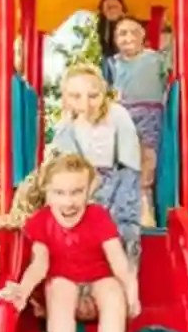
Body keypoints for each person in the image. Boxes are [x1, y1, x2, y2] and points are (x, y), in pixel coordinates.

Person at [0, 154, 140, 332]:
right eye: (60, 193)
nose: (69, 201)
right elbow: (39, 264)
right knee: (60, 285)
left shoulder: (98, 217)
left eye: (77, 192)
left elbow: (118, 261)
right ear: (48, 194)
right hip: (63, 295)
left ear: (89, 191)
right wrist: (23, 290)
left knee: (112, 287)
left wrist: (132, 293)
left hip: (96, 291)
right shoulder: (41, 222)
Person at [49, 64, 143, 269]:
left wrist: (117, 212)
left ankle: (125, 291)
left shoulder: (117, 115)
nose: (86, 104)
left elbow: (130, 168)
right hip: (82, 189)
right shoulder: (65, 128)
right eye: (76, 96)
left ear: (104, 94)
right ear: (65, 98)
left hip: (116, 188)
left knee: (121, 237)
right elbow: (62, 170)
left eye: (93, 96)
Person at [107, 17, 169, 226]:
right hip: (124, 113)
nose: (128, 37)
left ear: (143, 36)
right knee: (121, 159)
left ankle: (144, 206)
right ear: (115, 40)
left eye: (133, 32)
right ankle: (119, 206)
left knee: (147, 158)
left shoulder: (155, 58)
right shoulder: (114, 63)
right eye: (122, 34)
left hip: (150, 113)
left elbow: (172, 69)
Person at [95, 0, 128, 85]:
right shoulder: (98, 25)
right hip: (106, 62)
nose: (112, 10)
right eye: (109, 7)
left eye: (115, 7)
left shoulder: (131, 25)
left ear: (122, 9)